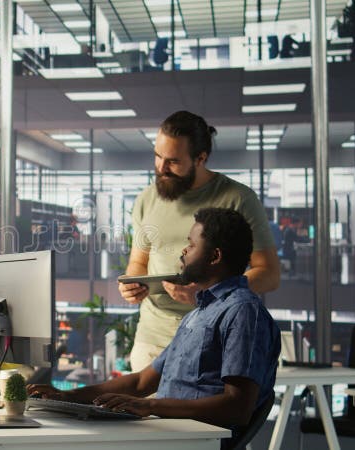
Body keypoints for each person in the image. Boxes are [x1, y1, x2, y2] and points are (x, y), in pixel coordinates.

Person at [31, 208, 280, 450]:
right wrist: (67, 397)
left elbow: (237, 407)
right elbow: (141, 383)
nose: (184, 250)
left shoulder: (243, 312)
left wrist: (150, 407)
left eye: (191, 245)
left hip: (196, 441)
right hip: (166, 434)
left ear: (215, 256)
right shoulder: (198, 314)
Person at [118, 111, 280, 372]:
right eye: (158, 156)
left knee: (198, 414)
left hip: (212, 338)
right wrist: (134, 284)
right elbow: (139, 261)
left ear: (200, 159)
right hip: (152, 340)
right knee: (141, 413)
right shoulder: (146, 199)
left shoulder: (238, 199)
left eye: (172, 161)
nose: (161, 168)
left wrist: (210, 293)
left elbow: (269, 274)